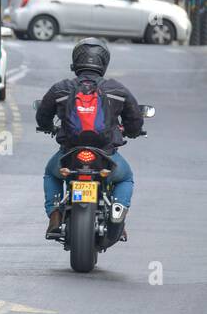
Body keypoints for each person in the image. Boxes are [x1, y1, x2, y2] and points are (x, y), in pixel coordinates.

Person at [35, 38, 143, 238]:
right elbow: (135, 120)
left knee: (51, 173)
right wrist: (133, 131)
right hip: (106, 157)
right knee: (125, 177)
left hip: (69, 156)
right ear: (104, 62)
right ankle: (117, 212)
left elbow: (42, 116)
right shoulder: (117, 89)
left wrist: (47, 127)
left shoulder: (61, 88)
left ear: (76, 60)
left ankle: (55, 215)